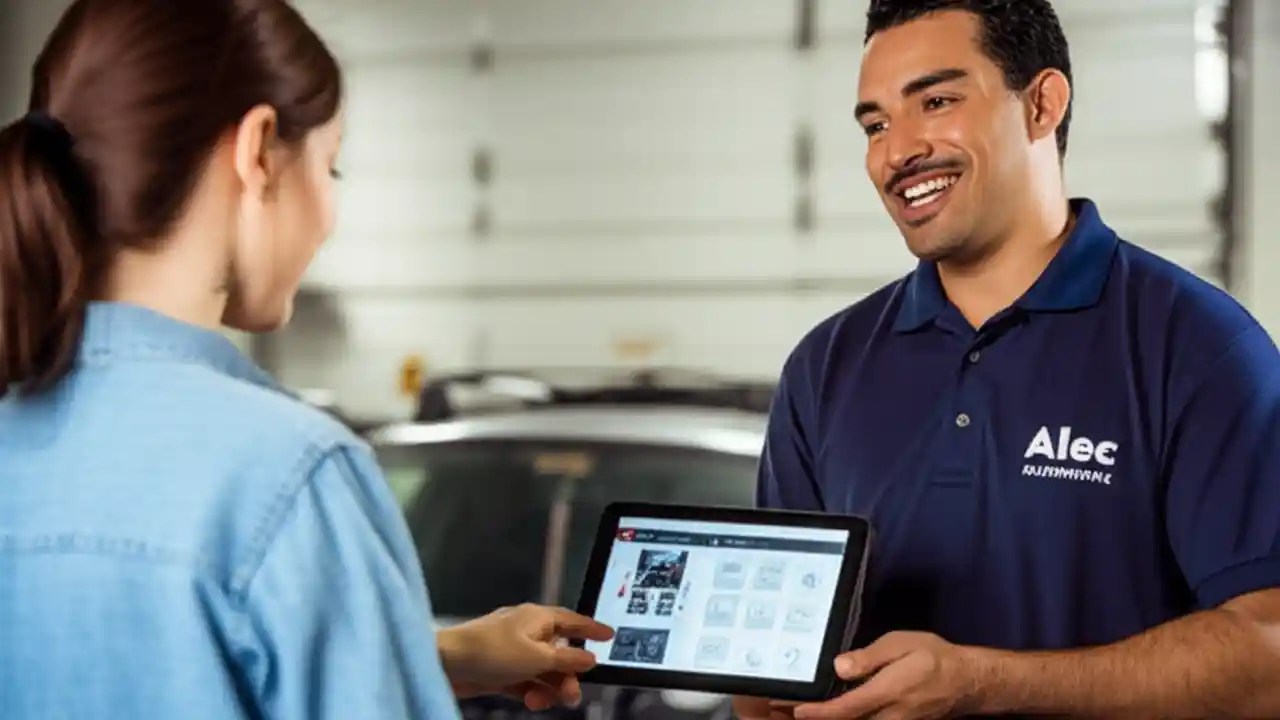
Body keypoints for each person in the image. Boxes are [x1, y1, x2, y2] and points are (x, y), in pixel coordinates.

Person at [0, 1, 611, 718]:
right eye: (331, 166)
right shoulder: (288, 473)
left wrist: (425, 656)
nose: (328, 213)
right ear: (258, 151)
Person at [736, 1, 1280, 718]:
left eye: (936, 102)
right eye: (875, 125)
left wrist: (988, 684)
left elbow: (1270, 657)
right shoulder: (824, 368)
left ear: (1042, 104)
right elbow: (769, 680)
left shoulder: (1199, 347)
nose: (896, 153)